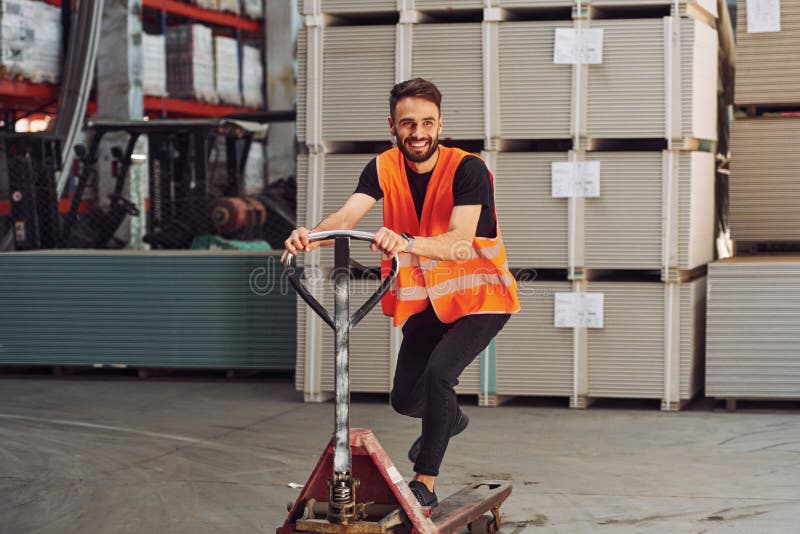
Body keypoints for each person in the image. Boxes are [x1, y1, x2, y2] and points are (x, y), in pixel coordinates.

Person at [283, 78, 520, 509]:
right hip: (431, 302)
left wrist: (406, 241)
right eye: (408, 123)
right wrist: (309, 237)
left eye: (427, 122)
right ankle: (449, 420)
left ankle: (424, 483)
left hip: (482, 298)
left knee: (439, 375)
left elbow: (460, 242)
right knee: (406, 399)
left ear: (440, 125)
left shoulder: (467, 169)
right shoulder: (383, 168)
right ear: (392, 126)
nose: (418, 132)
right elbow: (347, 216)